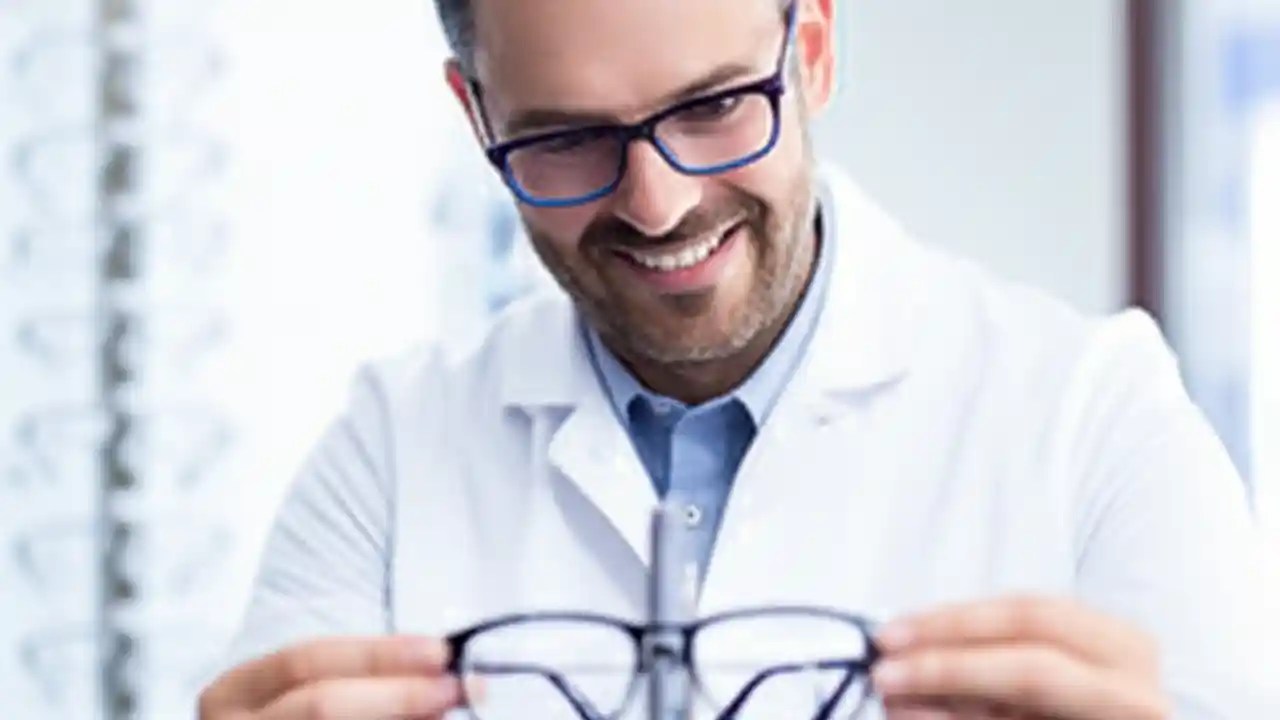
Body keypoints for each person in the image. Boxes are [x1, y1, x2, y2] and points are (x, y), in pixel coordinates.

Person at [198, 0, 1277, 718]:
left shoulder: (1093, 419)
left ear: (809, 49)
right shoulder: (389, 454)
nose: (656, 204)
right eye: (565, 138)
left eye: (712, 108)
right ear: (475, 116)